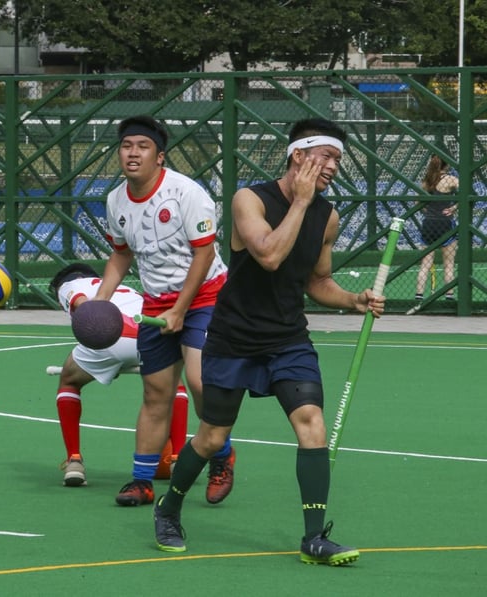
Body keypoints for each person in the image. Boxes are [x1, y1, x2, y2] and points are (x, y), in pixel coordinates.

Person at [152, 118, 385, 566]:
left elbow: (317, 282)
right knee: (212, 435)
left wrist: (354, 298)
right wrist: (300, 202)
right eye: (326, 156)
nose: (334, 165)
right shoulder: (249, 200)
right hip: (234, 337)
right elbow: (271, 256)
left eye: (338, 158)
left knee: (311, 422)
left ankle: (314, 538)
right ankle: (170, 507)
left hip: (288, 339)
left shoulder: (327, 216)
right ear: (298, 155)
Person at [93, 115, 237, 508]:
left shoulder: (186, 193)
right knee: (156, 393)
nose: (132, 152)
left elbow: (205, 253)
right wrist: (98, 302)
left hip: (207, 297)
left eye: (142, 146)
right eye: (126, 145)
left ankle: (221, 455)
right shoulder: (115, 200)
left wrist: (181, 309)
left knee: (200, 381)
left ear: (160, 155)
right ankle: (141, 481)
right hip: (156, 303)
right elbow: (120, 254)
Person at [49, 262, 189, 487]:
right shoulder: (123, 288)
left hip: (114, 335)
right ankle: (178, 459)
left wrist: (109, 359)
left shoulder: (70, 285)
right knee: (174, 383)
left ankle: (74, 460)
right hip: (151, 332)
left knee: (69, 379)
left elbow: (85, 310)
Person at [415, 154, 459, 302]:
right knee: (449, 264)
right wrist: (454, 208)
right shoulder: (451, 180)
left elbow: (418, 203)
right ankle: (449, 296)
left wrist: (428, 212)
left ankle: (419, 296)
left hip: (429, 224)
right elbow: (468, 192)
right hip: (445, 223)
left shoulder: (426, 181)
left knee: (425, 265)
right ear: (447, 165)